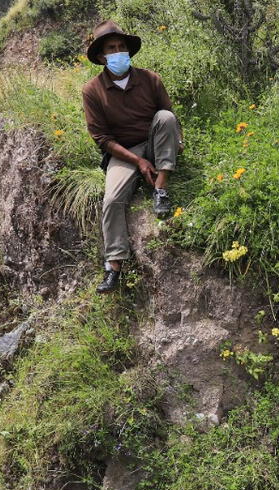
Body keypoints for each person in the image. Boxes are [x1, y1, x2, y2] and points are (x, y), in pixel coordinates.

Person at [81, 20, 183, 293]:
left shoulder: (150, 79)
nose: (118, 52)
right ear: (101, 57)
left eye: (121, 47)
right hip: (124, 152)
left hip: (154, 141)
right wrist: (138, 161)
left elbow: (169, 116)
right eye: (111, 48)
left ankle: (160, 188)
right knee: (112, 200)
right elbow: (102, 139)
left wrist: (176, 141)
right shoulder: (92, 91)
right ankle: (113, 265)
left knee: (165, 118)